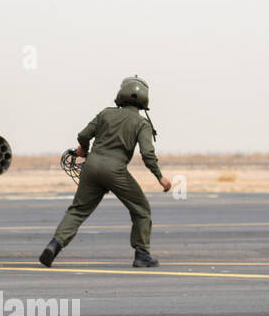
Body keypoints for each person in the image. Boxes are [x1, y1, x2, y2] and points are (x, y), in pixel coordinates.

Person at [40, 75, 173, 269]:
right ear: (145, 99)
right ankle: (142, 254)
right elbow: (147, 153)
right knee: (141, 209)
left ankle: (54, 245)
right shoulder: (141, 123)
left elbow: (83, 135)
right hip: (115, 171)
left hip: (91, 166)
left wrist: (83, 150)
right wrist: (160, 177)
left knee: (78, 210)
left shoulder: (106, 114)